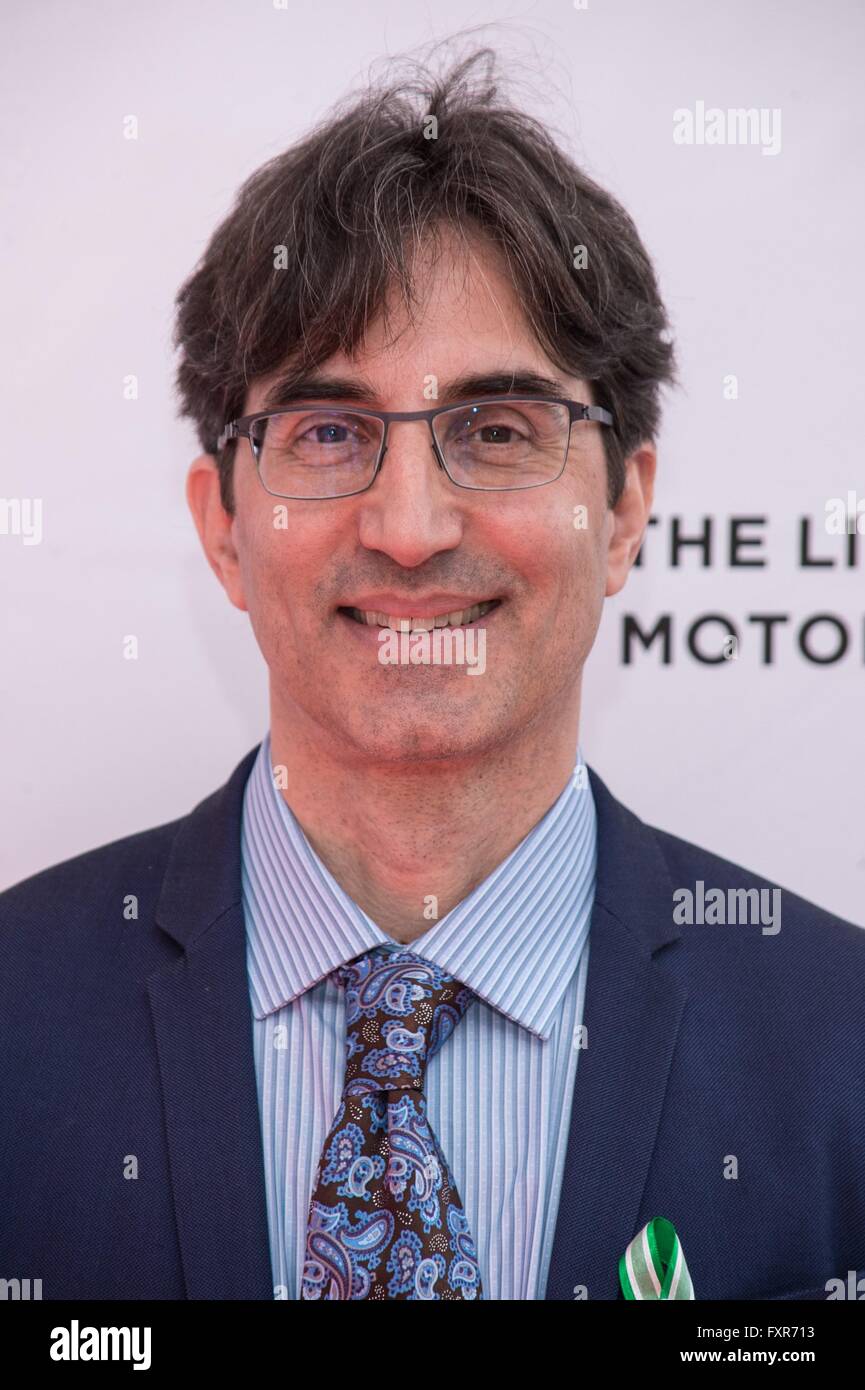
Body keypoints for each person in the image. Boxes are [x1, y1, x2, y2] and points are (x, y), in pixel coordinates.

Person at [2, 47, 864, 1303]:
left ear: (626, 511)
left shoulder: (841, 1043)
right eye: (328, 432)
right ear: (223, 526)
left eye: (498, 430)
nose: (410, 526)